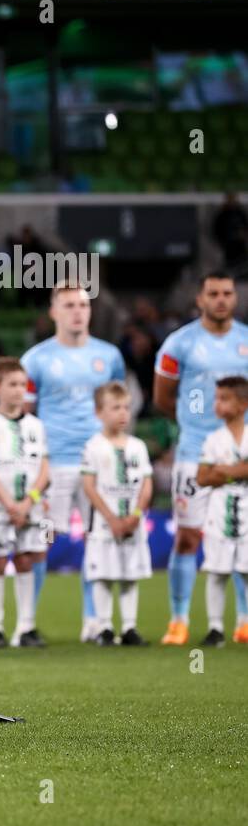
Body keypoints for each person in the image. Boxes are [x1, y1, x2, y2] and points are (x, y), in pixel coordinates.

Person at [21, 282, 126, 642]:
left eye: (83, 304)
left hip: (97, 464)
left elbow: (117, 407)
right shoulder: (35, 359)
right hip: (55, 465)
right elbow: (25, 416)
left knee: (99, 542)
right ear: (53, 312)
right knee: (41, 540)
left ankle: (96, 623)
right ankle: (27, 623)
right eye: (69, 305)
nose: (77, 311)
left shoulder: (109, 356)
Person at [153, 272, 248, 646]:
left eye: (227, 293)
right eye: (214, 293)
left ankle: (242, 621)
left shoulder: (246, 340)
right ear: (200, 298)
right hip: (194, 455)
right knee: (189, 537)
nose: (221, 299)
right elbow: (163, 398)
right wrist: (191, 426)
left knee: (244, 538)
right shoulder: (179, 343)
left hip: (241, 455)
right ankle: (179, 620)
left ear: (235, 299)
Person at [0, 358, 50, 648]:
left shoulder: (36, 425)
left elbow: (44, 470)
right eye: (12, 385)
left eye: (23, 385)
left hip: (30, 508)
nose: (19, 391)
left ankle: (25, 627)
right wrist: (9, 504)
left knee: (25, 558)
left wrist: (28, 502)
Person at [80, 380, 153, 647]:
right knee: (104, 574)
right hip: (104, 524)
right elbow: (89, 486)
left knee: (129, 574)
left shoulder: (138, 446)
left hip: (133, 523)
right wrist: (111, 518)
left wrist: (135, 515)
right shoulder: (93, 446)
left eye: (126, 407)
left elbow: (147, 485)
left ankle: (130, 626)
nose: (123, 413)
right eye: (115, 408)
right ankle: (105, 627)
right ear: (99, 412)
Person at [194, 376, 248, 646]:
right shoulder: (213, 439)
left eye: (224, 398)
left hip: (246, 513)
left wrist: (224, 470)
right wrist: (237, 472)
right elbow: (203, 477)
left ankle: (244, 622)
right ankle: (215, 627)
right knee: (216, 571)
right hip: (219, 513)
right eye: (216, 398)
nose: (217, 404)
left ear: (243, 404)